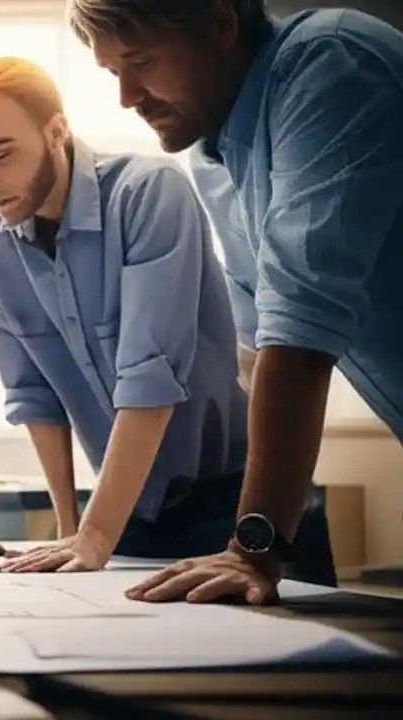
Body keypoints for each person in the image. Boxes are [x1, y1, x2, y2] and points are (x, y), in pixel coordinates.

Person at [0, 57, 334, 583]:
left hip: (241, 503)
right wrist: (73, 527)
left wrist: (95, 535)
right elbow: (33, 393)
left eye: (1, 155)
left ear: (56, 131)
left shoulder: (148, 192)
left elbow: (149, 380)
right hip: (127, 511)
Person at [69, 0, 403, 604]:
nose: (126, 97)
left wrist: (254, 549)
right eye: (112, 72)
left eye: (142, 62)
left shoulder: (331, 63)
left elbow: (299, 331)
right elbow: (257, 353)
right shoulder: (212, 154)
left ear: (220, 23)